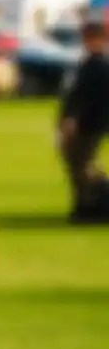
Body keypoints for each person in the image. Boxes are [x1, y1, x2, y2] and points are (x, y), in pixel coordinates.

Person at [59, 21, 109, 223]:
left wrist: (74, 119)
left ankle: (92, 207)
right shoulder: (88, 64)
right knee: (77, 166)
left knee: (83, 167)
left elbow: (87, 98)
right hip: (85, 123)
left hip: (88, 124)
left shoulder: (98, 66)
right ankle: (84, 205)